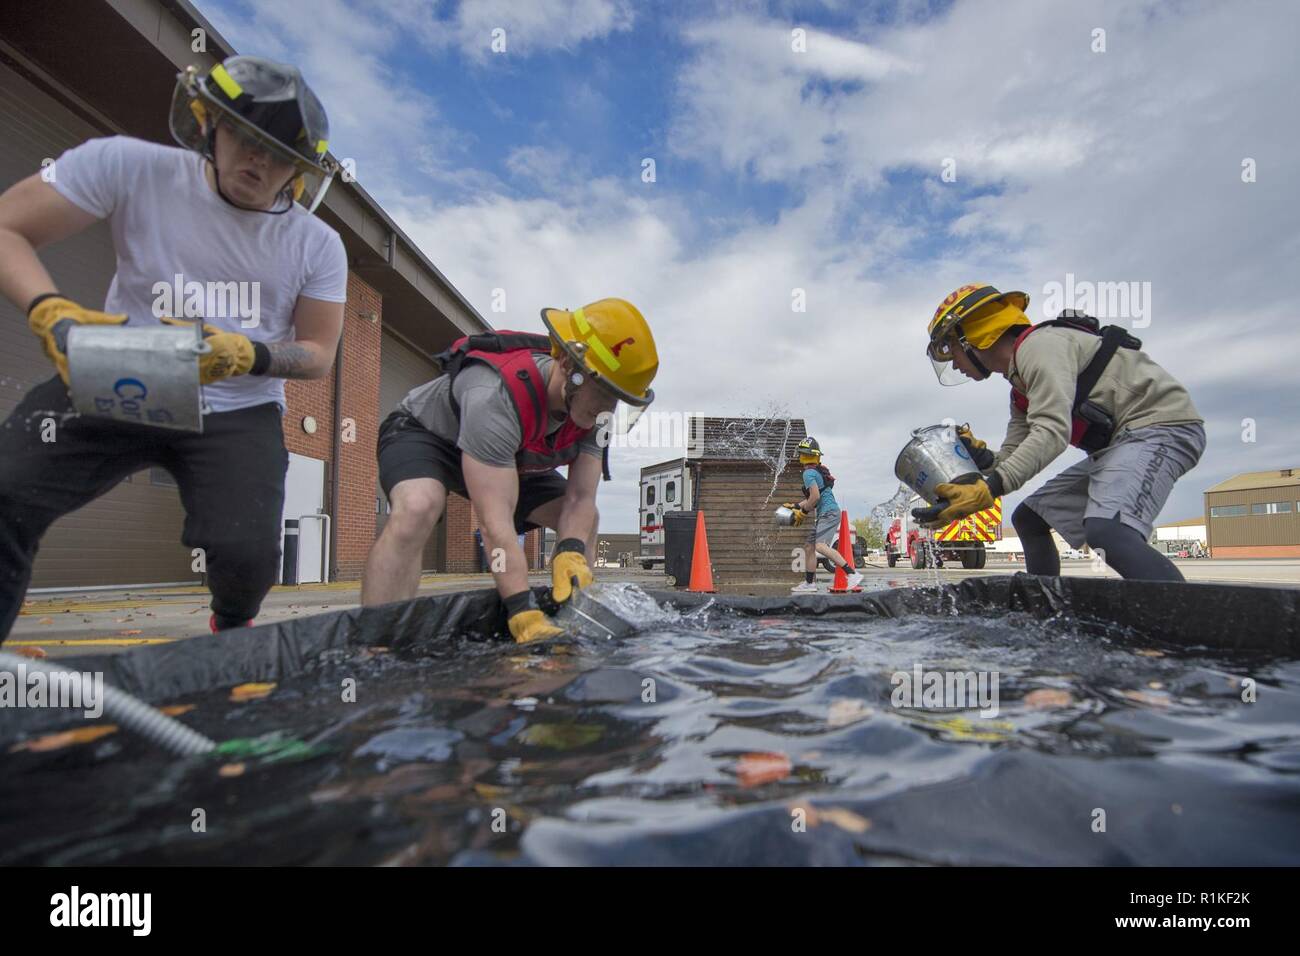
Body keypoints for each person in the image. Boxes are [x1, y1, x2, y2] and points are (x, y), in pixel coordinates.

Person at [0, 55, 346, 640]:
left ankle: (231, 629)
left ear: (300, 171)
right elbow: (9, 226)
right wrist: (51, 316)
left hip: (239, 403)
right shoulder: (126, 165)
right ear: (208, 123)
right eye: (246, 138)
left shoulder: (317, 245)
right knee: (6, 492)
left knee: (247, 556)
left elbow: (318, 352)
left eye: (281, 155)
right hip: (123, 372)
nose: (259, 163)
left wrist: (253, 355)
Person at [362, 299, 658, 643]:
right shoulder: (496, 394)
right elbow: (494, 522)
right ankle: (376, 643)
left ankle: (577, 620)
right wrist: (522, 610)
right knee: (417, 506)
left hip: (512, 457)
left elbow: (580, 498)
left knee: (585, 521)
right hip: (429, 435)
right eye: (604, 391)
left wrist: (570, 550)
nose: (609, 407)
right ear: (567, 363)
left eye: (619, 397)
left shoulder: (595, 417)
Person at [917, 283, 1205, 582]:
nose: (954, 363)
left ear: (974, 336)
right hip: (1124, 443)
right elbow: (1012, 459)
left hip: (1164, 427)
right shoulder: (1020, 389)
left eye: (952, 350)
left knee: (1108, 530)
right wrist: (982, 459)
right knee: (1029, 519)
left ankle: (1188, 621)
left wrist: (988, 490)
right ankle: (1044, 615)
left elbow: (1052, 432)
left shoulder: (1040, 347)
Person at [784, 437, 863, 593]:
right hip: (827, 513)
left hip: (829, 513)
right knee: (809, 547)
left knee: (820, 546)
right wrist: (795, 506)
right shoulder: (816, 471)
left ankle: (852, 574)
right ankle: (809, 583)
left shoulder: (808, 473)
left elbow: (815, 498)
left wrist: (803, 512)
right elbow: (813, 496)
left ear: (803, 455)